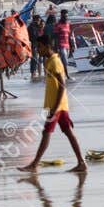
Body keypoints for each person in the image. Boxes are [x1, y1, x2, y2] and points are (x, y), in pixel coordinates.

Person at [20, 34, 85, 172]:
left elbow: (62, 85)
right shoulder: (48, 61)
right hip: (55, 106)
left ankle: (34, 164)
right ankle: (81, 162)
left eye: (39, 47)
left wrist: (55, 108)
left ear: (47, 46)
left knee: (46, 133)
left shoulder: (55, 62)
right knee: (68, 133)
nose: (38, 50)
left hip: (57, 107)